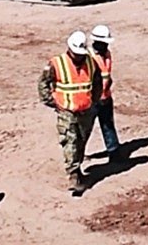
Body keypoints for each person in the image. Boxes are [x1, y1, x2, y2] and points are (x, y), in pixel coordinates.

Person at [37, 30, 103, 195]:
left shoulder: (90, 62)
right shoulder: (56, 63)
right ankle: (73, 175)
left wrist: (93, 101)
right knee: (70, 141)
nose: (79, 57)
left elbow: (97, 82)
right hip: (67, 111)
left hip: (86, 111)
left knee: (81, 140)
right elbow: (43, 83)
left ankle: (77, 167)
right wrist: (52, 102)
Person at [89, 25, 121, 159]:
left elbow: (106, 73)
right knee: (85, 129)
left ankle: (114, 152)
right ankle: (76, 156)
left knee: (108, 125)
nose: (106, 46)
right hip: (91, 99)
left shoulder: (107, 53)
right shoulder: (88, 56)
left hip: (105, 97)